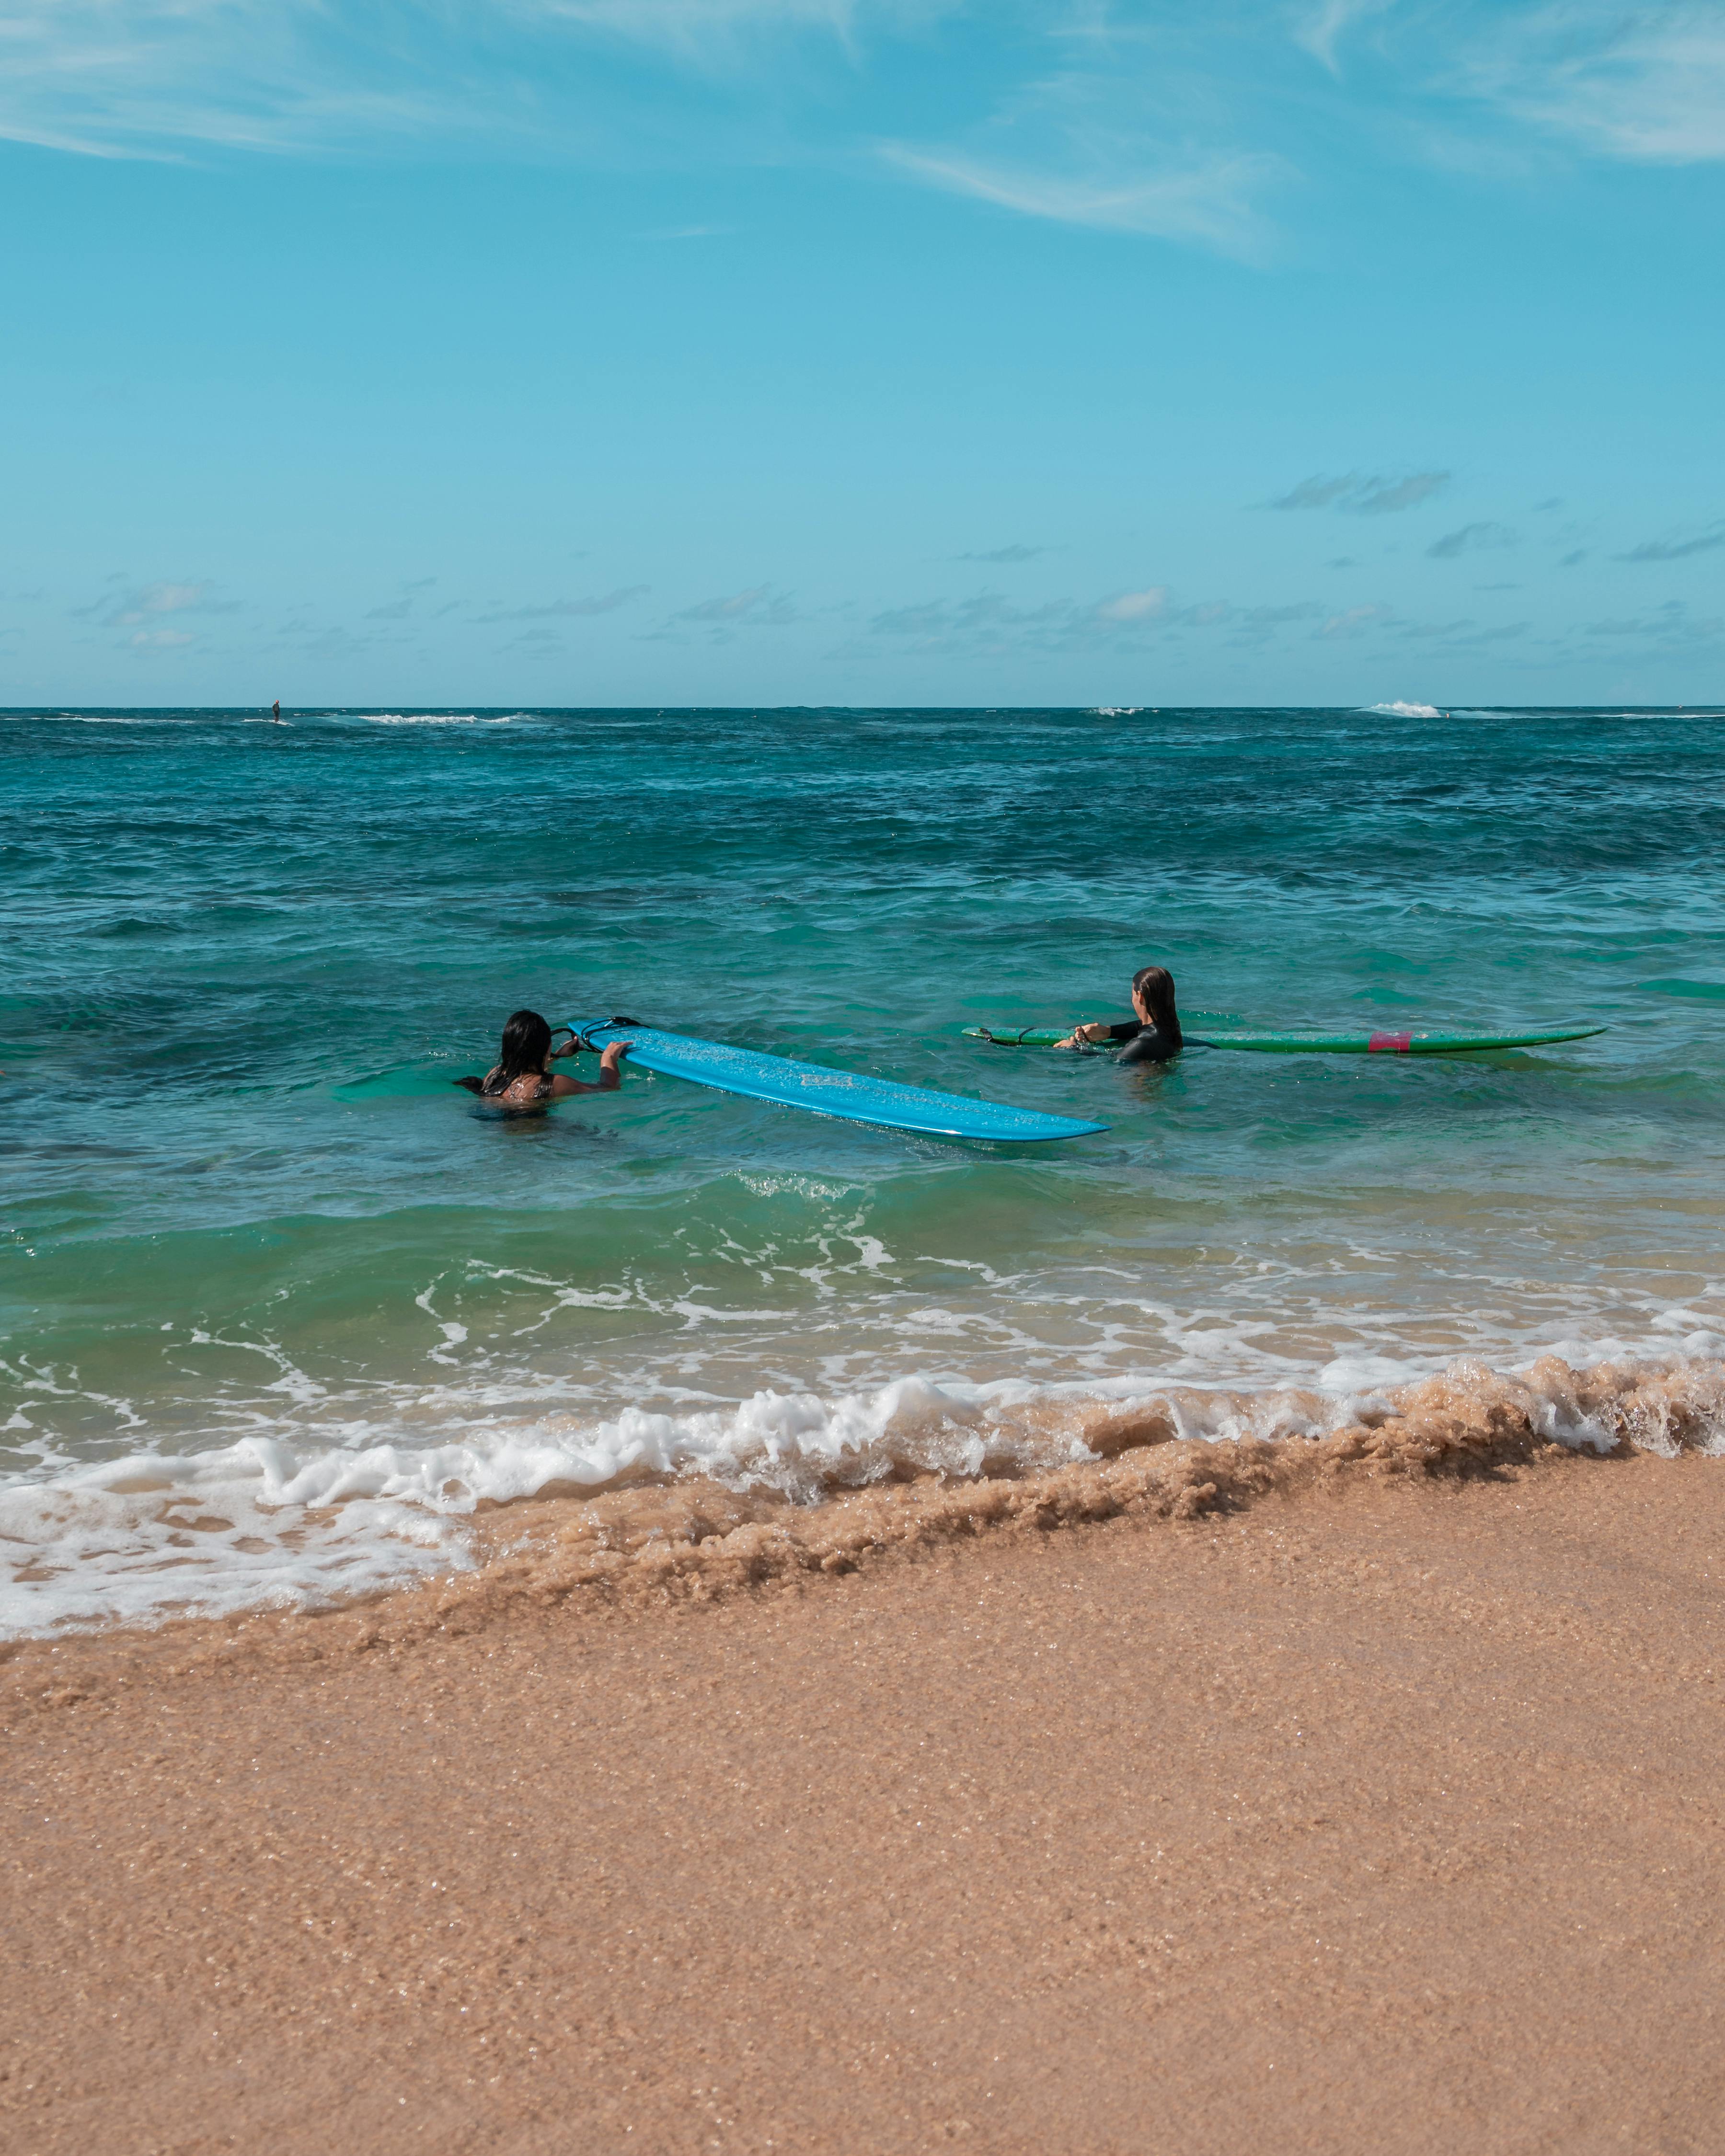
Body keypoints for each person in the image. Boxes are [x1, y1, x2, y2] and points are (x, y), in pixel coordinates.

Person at [456, 1009, 630, 1105]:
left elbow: (526, 1072)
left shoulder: (494, 1075)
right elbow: (608, 1088)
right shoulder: (556, 1084)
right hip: (534, 1138)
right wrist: (608, 1058)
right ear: (547, 1047)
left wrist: (557, 1057)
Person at [1056, 964, 1183, 1065]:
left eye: (1133, 994)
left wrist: (1074, 1048)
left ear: (1140, 997)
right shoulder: (1172, 1027)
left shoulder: (1142, 1044)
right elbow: (1144, 1026)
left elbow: (1112, 1062)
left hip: (1142, 1091)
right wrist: (1108, 1032)